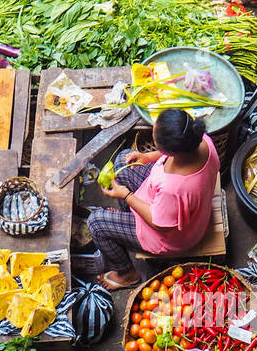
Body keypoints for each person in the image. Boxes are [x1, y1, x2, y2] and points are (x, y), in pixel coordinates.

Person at [87, 108, 220, 290]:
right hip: (169, 203)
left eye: (157, 144)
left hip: (169, 236)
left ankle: (128, 274)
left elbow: (159, 224)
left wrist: (126, 195)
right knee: (122, 162)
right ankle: (126, 221)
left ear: (173, 152)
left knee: (95, 223)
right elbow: (173, 155)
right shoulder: (202, 141)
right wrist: (148, 157)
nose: (154, 143)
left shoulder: (173, 189)